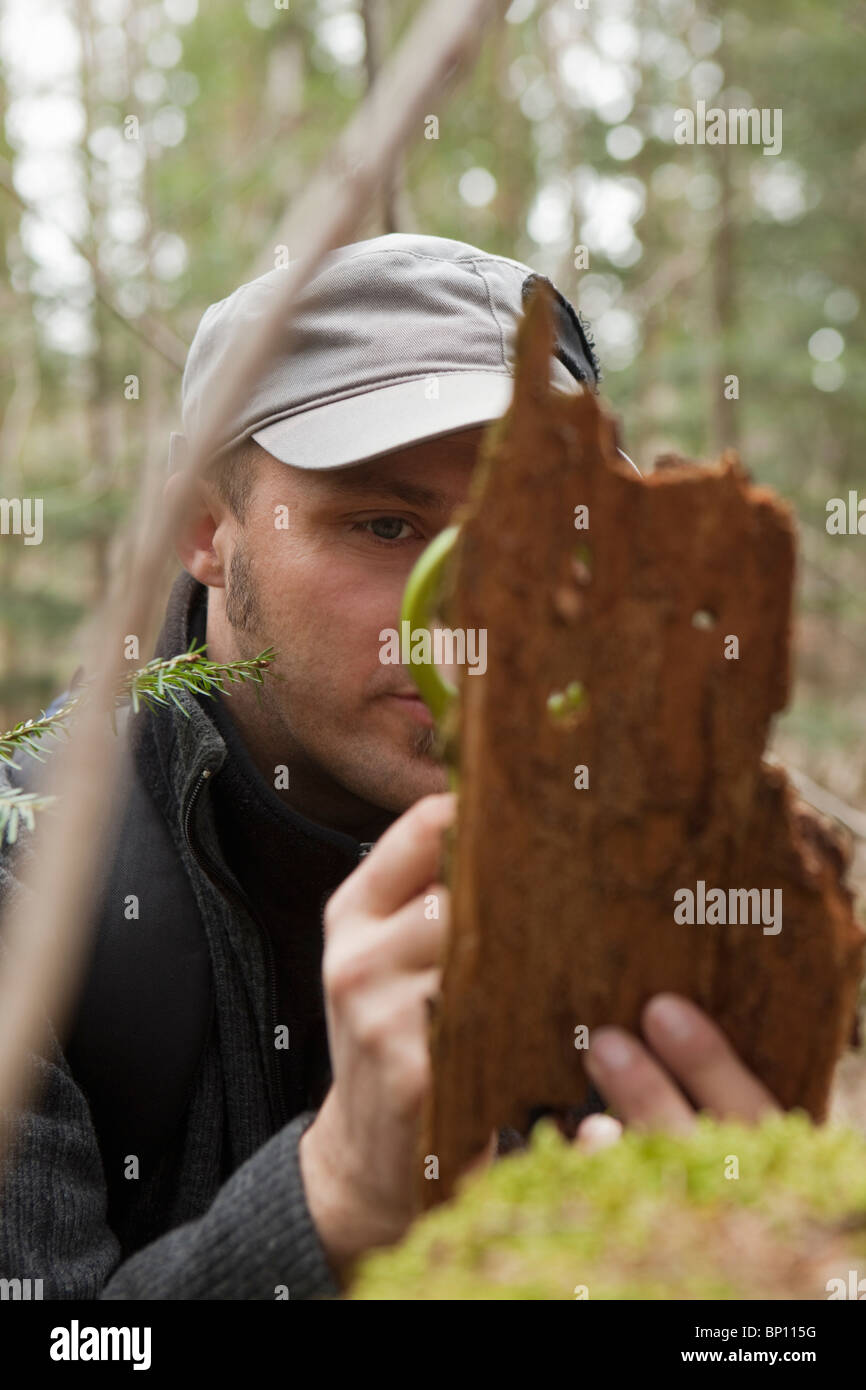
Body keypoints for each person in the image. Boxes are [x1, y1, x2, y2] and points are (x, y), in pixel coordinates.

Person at [0, 233, 779, 1300]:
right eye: (383, 522)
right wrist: (332, 1203)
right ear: (205, 529)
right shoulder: (27, 892)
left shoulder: (652, 878)